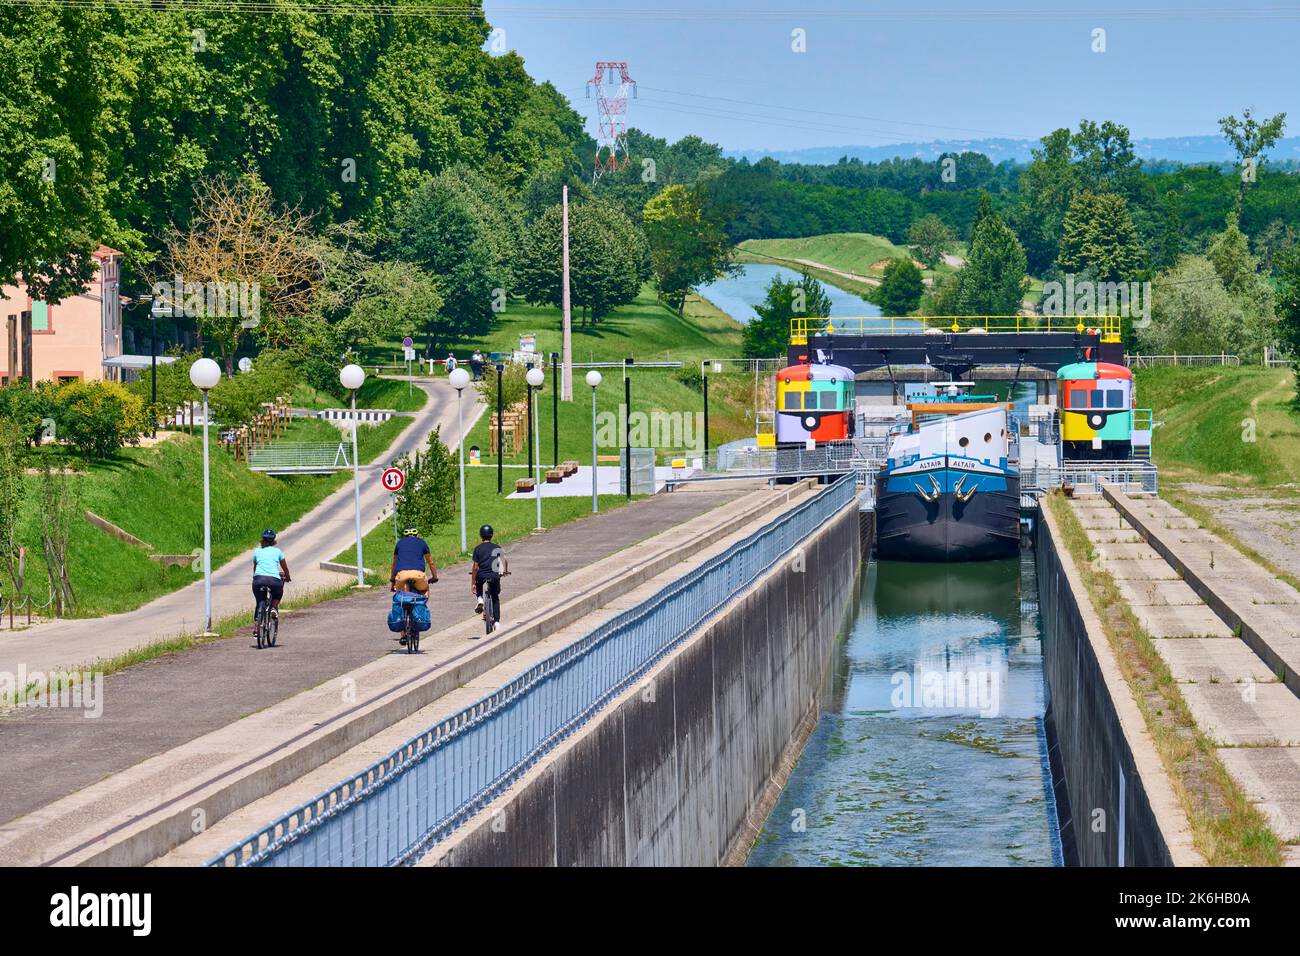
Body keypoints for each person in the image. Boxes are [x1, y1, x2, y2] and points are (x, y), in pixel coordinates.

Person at [469, 524, 508, 630]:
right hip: (494, 575)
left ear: (481, 535)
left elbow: (475, 567)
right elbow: (504, 561)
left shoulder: (477, 549)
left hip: (481, 575)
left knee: (479, 584)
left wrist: (473, 582)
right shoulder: (497, 547)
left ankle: (480, 599)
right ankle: (497, 622)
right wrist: (505, 572)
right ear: (492, 535)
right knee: (495, 597)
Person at [390, 527, 439, 594]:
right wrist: (434, 577)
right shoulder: (422, 542)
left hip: (402, 575)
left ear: (405, 536)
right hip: (418, 575)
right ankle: (422, 603)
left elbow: (394, 564)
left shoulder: (399, 543)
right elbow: (431, 563)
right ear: (417, 535)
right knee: (425, 589)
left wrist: (393, 583)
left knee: (403, 595)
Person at [252, 529, 291, 612]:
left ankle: (257, 618)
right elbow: (285, 568)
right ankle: (273, 608)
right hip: (274, 580)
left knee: (259, 600)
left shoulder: (257, 551)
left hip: (258, 580)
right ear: (273, 540)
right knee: (278, 593)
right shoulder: (278, 552)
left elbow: (255, 567)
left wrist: (255, 577)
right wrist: (287, 577)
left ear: (262, 539)